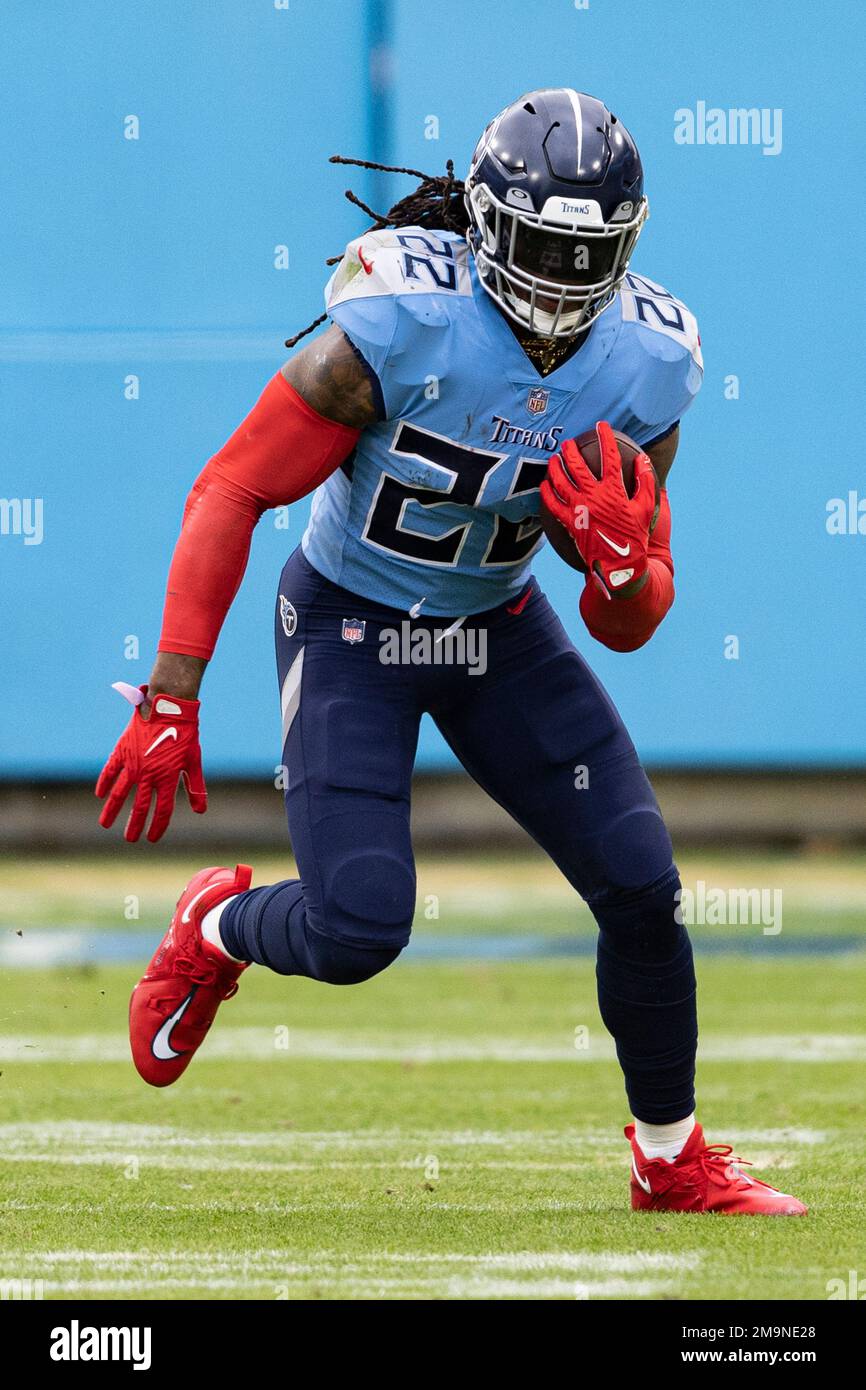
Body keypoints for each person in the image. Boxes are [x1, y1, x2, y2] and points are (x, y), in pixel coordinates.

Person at [97, 89, 805, 1215]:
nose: (563, 279)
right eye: (540, 245)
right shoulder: (400, 320)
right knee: (359, 926)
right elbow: (232, 487)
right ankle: (215, 927)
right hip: (350, 622)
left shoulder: (643, 361)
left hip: (500, 629)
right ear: (483, 223)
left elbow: (627, 622)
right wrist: (171, 694)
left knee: (642, 886)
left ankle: (668, 1157)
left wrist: (624, 569)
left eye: (589, 254)